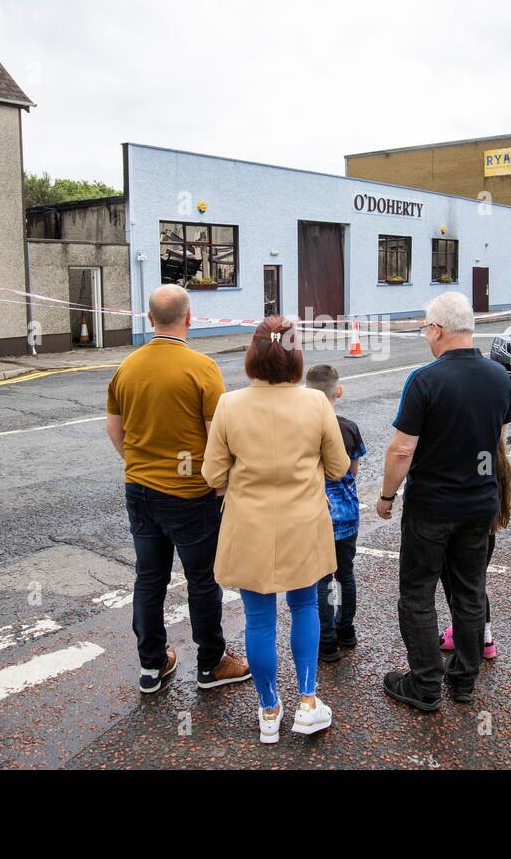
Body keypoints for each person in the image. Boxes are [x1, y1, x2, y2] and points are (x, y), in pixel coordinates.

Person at [202, 317, 350, 744]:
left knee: (258, 619)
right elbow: (339, 467)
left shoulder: (230, 405)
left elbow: (213, 475)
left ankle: (269, 710)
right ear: (295, 355)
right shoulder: (316, 404)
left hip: (248, 526)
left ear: (252, 354)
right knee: (306, 606)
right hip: (303, 524)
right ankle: (307, 702)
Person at [105, 284, 251, 695]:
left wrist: (137, 464)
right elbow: (217, 437)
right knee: (202, 579)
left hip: (139, 489)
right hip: (190, 495)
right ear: (189, 318)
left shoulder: (126, 367)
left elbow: (114, 430)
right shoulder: (201, 368)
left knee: (149, 578)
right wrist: (221, 485)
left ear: (149, 320)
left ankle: (152, 665)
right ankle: (211, 664)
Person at [377, 291, 511, 711]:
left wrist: (386, 496)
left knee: (417, 592)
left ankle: (425, 686)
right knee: (469, 592)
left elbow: (402, 450)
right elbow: (498, 440)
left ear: (437, 329)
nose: (425, 337)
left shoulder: (425, 379)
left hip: (431, 508)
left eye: (425, 329)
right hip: (479, 506)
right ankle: (464, 681)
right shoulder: (498, 376)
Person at [305, 363, 366, 663]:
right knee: (345, 574)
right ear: (337, 391)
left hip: (317, 515)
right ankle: (347, 631)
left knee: (322, 580)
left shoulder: (303, 427)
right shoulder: (349, 427)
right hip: (347, 515)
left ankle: (327, 642)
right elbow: (351, 471)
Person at [439, 437, 511, 659]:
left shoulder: (465, 448)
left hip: (461, 527)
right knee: (475, 584)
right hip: (486, 529)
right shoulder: (493, 453)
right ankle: (486, 638)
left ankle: (465, 635)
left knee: (455, 585)